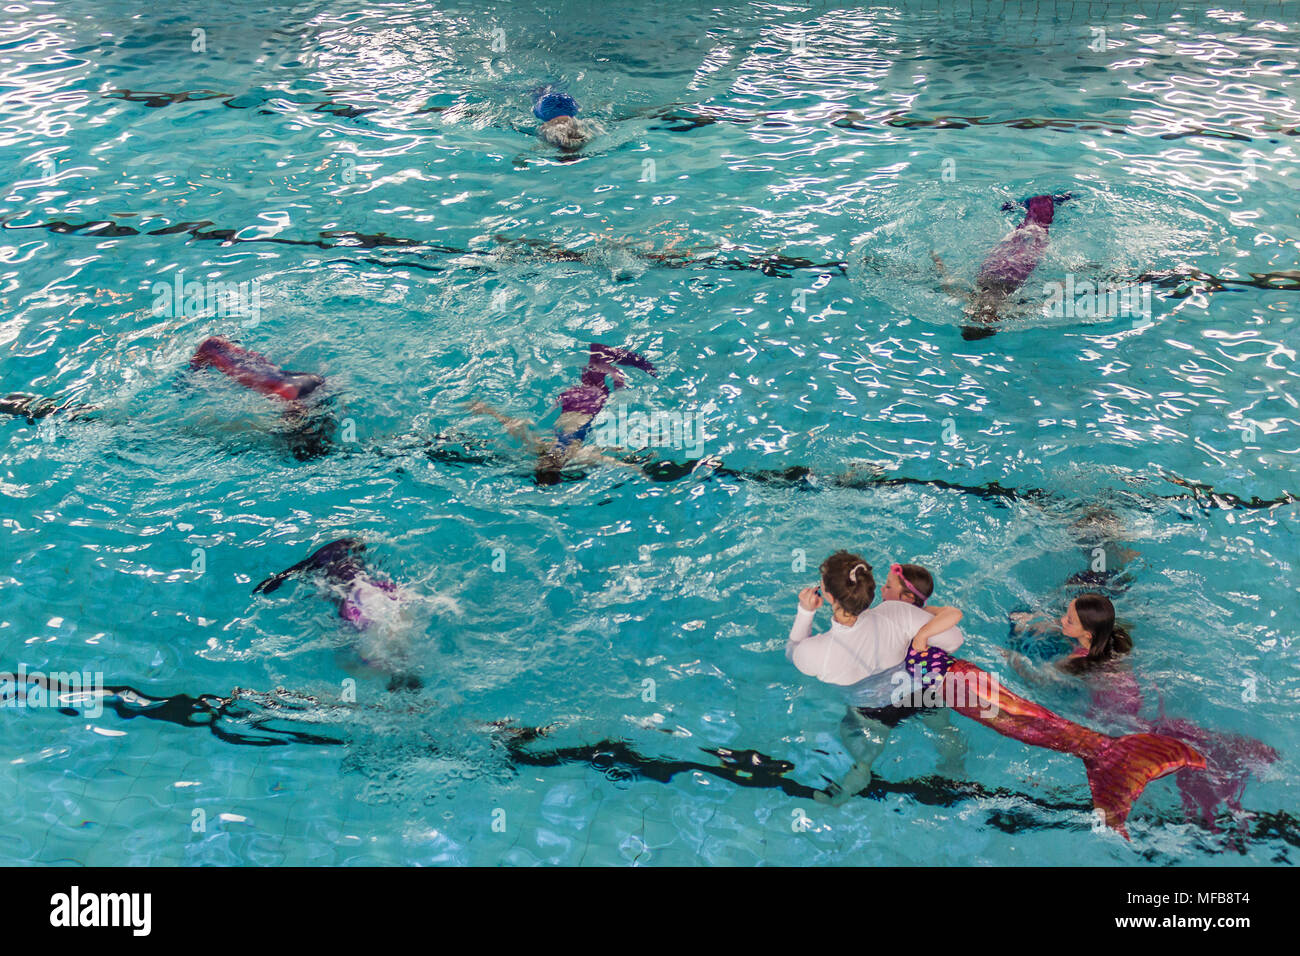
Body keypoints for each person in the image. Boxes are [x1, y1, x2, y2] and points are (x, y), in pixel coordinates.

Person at [1006, 593, 1276, 834]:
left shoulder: (1076, 663)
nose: (1062, 619)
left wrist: (1012, 653)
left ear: (1087, 635)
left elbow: (1038, 680)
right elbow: (1082, 630)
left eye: (1069, 619)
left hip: (1114, 726)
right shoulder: (1118, 639)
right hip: (1139, 713)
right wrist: (1048, 623)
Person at [787, 551, 967, 805]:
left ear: (828, 595)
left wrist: (804, 612)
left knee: (864, 762)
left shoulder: (817, 653)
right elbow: (954, 638)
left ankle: (844, 791)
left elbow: (793, 651)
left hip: (872, 714)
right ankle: (956, 771)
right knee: (947, 732)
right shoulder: (896, 612)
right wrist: (921, 637)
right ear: (870, 590)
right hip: (918, 692)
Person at [468, 342, 657, 485]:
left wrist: (488, 410)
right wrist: (488, 410)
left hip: (580, 406)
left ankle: (608, 363)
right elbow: (517, 427)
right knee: (596, 371)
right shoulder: (559, 453)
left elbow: (516, 427)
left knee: (597, 372)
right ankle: (606, 361)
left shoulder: (565, 454)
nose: (544, 461)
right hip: (577, 405)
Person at [931, 193, 1070, 340]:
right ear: (994, 322)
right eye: (981, 320)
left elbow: (947, 285)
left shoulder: (972, 300)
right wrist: (1070, 285)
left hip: (993, 265)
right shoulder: (1007, 310)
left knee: (1019, 234)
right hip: (1018, 269)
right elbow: (1045, 303)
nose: (977, 316)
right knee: (1038, 232)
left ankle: (1030, 206)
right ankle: (1045, 201)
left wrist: (936, 260)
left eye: (972, 318)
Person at [532, 88, 602, 151]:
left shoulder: (588, 133)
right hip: (545, 112)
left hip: (569, 107)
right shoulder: (552, 141)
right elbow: (533, 149)